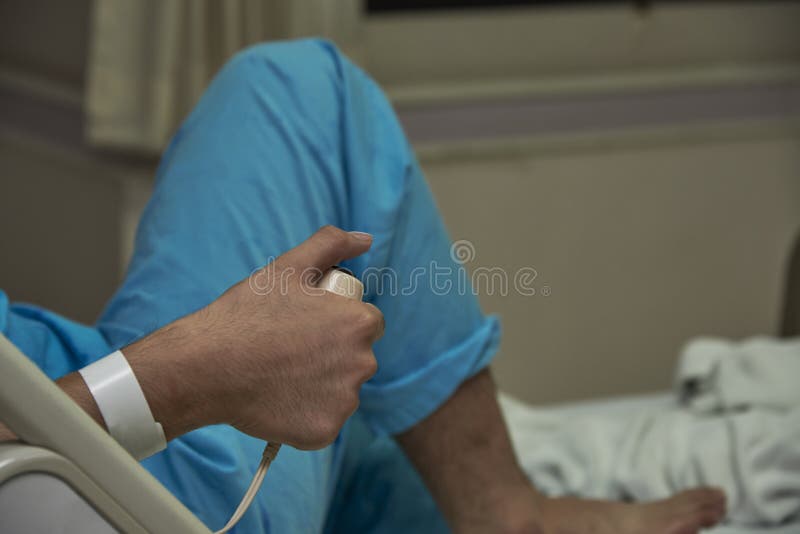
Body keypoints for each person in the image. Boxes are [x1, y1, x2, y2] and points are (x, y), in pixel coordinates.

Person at [0, 39, 726, 533]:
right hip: (98, 469)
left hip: (43, 377)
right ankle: (509, 513)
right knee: (298, 93)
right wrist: (195, 375)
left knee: (370, 430)